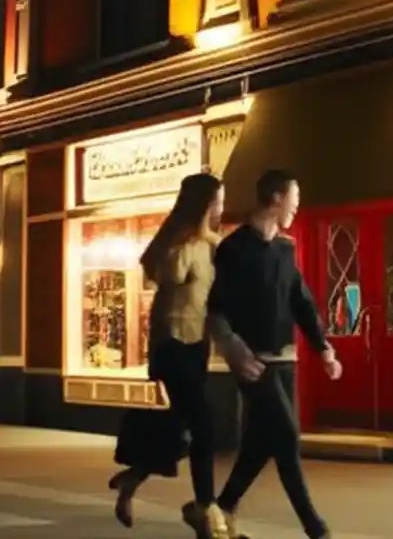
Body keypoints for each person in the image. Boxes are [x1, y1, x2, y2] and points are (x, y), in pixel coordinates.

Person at [206, 169, 342, 539]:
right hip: (253, 362)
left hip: (286, 361)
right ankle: (316, 528)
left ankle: (221, 508)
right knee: (286, 436)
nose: (297, 208)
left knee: (261, 443)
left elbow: (301, 302)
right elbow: (216, 308)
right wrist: (232, 348)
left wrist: (324, 348)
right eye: (294, 200)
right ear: (276, 199)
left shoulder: (286, 249)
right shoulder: (234, 250)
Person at [109, 172, 230, 539]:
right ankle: (204, 509)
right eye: (218, 200)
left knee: (181, 428)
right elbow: (165, 277)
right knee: (204, 427)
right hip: (173, 345)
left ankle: (132, 478)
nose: (222, 207)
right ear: (204, 205)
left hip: (196, 345)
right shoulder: (181, 245)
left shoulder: (212, 245)